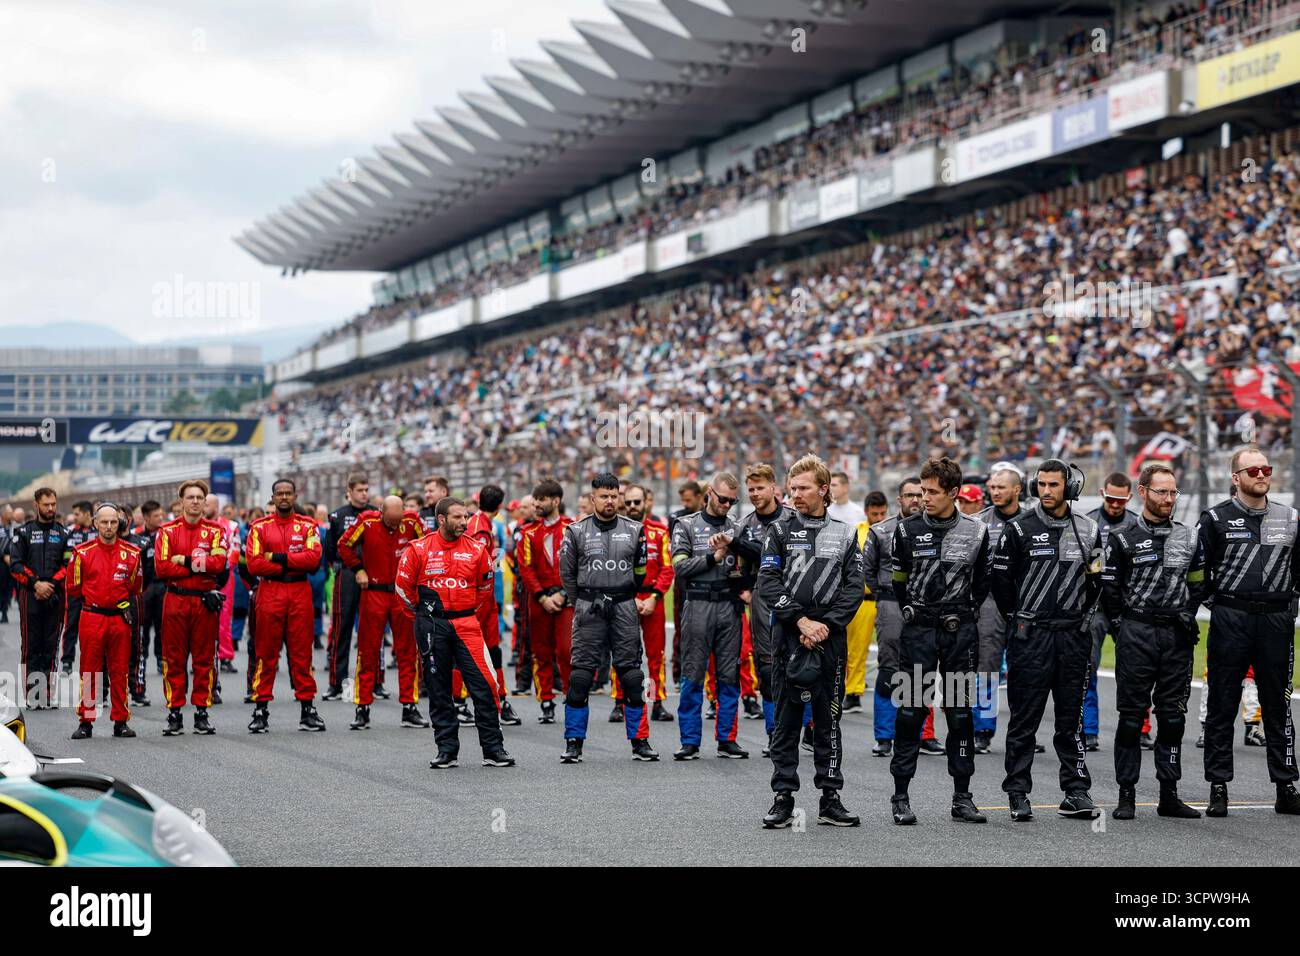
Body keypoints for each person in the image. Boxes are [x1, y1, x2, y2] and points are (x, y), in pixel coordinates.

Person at [991, 459, 1103, 821]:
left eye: (1054, 485)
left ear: (1069, 487)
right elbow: (1002, 586)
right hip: (1031, 636)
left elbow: (1097, 581)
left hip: (1073, 636)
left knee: (1071, 720)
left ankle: (1076, 791)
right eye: (1042, 485)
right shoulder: (1018, 529)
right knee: (1024, 719)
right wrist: (1023, 617)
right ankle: (1018, 793)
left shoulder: (1089, 530)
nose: (1047, 491)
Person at [758, 454, 864, 828]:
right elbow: (767, 583)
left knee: (829, 721)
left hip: (829, 639)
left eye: (803, 488)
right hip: (788, 635)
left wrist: (824, 626)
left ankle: (830, 797)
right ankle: (783, 796)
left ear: (824, 489)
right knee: (785, 721)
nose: (796, 494)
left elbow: (853, 589)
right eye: (792, 488)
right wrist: (801, 621)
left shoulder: (846, 533)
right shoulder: (780, 531)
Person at [888, 457, 992, 825]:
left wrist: (957, 612)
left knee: (961, 716)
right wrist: (920, 612)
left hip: (959, 632)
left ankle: (962, 797)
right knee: (911, 713)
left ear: (953, 493)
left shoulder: (977, 531)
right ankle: (900, 796)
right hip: (918, 630)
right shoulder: (906, 529)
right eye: (921, 491)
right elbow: (898, 581)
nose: (923, 498)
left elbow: (982, 585)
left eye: (932, 492)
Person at [1197, 448, 1300, 816]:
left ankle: (1286, 785)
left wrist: (1287, 603)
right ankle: (1218, 786)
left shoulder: (1291, 518)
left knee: (1277, 703)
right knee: (1223, 704)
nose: (1261, 474)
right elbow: (1197, 571)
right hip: (1231, 618)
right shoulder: (1214, 518)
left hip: (1275, 620)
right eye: (1252, 469)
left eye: (1266, 468)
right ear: (1235, 478)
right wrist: (1219, 605)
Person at [1099, 462, 1204, 820]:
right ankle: (1126, 794)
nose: (1169, 499)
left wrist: (1187, 612)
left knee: (1173, 717)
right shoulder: (1123, 537)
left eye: (1173, 492)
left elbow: (1199, 581)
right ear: (1143, 492)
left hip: (1176, 634)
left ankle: (1169, 794)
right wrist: (1121, 627)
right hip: (1137, 633)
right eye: (1162, 491)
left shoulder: (1190, 536)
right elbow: (1109, 590)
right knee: (1131, 717)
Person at [396, 496, 513, 769]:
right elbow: (402, 589)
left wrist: (465, 610)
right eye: (458, 517)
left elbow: (485, 588)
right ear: (441, 519)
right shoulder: (418, 548)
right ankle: (446, 750)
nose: (464, 522)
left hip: (467, 624)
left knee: (485, 685)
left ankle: (493, 749)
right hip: (432, 625)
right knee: (438, 689)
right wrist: (422, 615)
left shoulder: (477, 549)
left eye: (466, 517)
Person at [556, 474, 658, 763]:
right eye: (604, 496)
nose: (610, 501)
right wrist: (583, 602)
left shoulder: (636, 530)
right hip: (589, 608)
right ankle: (574, 742)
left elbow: (640, 573)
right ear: (593, 499)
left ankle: (640, 741)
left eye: (614, 496)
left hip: (624, 606)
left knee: (633, 676)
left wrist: (622, 594)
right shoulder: (575, 531)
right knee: (580, 676)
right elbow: (567, 574)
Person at [671, 472, 748, 760]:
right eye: (722, 498)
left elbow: (751, 566)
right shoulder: (686, 525)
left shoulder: (737, 528)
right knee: (692, 672)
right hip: (698, 604)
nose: (727, 504)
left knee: (729, 675)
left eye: (732, 500)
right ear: (709, 493)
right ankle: (689, 741)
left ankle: (727, 739)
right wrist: (711, 558)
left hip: (729, 607)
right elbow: (679, 567)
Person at [336, 495, 429, 730]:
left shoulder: (412, 521)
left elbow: (429, 546)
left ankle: (410, 706)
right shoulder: (366, 522)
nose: (396, 526)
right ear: (381, 512)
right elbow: (343, 545)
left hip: (402, 594)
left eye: (399, 521)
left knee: (407, 651)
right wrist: (358, 569)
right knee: (368, 651)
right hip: (374, 593)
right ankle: (362, 707)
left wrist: (418, 577)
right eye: (391, 521)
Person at [862, 477, 939, 757]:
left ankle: (924, 734)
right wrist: (887, 593)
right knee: (889, 667)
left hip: (927, 606)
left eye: (920, 494)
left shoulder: (938, 529)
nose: (915, 500)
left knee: (925, 669)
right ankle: (884, 736)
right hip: (891, 604)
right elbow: (867, 571)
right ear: (899, 500)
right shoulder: (881, 531)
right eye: (909, 495)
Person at [245, 479, 326, 733]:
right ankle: (260, 709)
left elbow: (313, 560)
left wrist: (278, 558)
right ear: (272, 497)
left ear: (294, 496)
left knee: (302, 653)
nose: (283, 497)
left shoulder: (308, 525)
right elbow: (254, 565)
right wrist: (292, 562)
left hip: (300, 591)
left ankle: (307, 709)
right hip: (269, 591)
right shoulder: (259, 527)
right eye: (279, 493)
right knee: (265, 652)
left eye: (287, 493)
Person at [727, 464, 794, 754]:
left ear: (773, 488)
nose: (755, 494)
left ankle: (808, 729)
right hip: (762, 598)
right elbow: (739, 571)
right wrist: (744, 588)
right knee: (767, 668)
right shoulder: (743, 526)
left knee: (800, 664)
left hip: (794, 596)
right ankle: (774, 733)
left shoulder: (795, 519)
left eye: (760, 488)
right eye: (750, 489)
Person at [154, 480, 229, 737]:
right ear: (182, 501)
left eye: (200, 497)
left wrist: (184, 560)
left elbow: (218, 565)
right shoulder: (166, 531)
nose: (195, 501)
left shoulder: (216, 531)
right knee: (173, 659)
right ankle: (174, 712)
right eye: (191, 497)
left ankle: (201, 712)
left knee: (204, 660)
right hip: (175, 601)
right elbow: (162, 568)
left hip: (203, 603)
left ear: (205, 502)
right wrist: (200, 564)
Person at [67, 503, 143, 740]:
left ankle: (120, 720)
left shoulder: (132, 554)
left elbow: (135, 587)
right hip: (92, 616)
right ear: (95, 523)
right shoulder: (82, 552)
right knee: (89, 670)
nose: (109, 527)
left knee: (120, 670)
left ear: (119, 523)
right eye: (104, 522)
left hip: (120, 619)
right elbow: (73, 587)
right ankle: (86, 721)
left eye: (113, 522)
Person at [1083, 472, 1141, 751]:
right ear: (1102, 493)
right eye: (1110, 499)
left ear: (1129, 497)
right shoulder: (1089, 522)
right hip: (1095, 608)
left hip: (1127, 608)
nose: (1115, 505)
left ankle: (1139, 728)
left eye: (1121, 500)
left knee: (1135, 670)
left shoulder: (1136, 524)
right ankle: (1089, 729)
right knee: (1087, 668)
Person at [611, 484, 674, 723]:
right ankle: (619, 701)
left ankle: (656, 701)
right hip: (624, 600)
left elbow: (667, 569)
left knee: (655, 655)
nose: (633, 507)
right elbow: (613, 569)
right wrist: (631, 598)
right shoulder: (615, 531)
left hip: (652, 601)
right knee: (622, 653)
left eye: (637, 502)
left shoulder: (659, 532)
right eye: (628, 503)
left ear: (647, 502)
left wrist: (654, 597)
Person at [973, 463, 1024, 752]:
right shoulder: (980, 523)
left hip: (1024, 603)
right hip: (990, 603)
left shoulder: (1032, 522)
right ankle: (983, 728)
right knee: (987, 667)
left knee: (1025, 669)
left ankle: (1021, 730)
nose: (994, 492)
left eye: (1001, 487)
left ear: (1016, 489)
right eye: (992, 487)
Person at [461, 484, 521, 726]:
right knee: (477, 650)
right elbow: (481, 566)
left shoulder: (479, 524)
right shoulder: (482, 530)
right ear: (498, 507)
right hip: (479, 599)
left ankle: (499, 699)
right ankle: (464, 701)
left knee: (491, 649)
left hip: (485, 597)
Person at [9, 488, 71, 709]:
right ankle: (32, 694)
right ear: (36, 505)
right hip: (30, 596)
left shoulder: (64, 534)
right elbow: (15, 565)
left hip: (55, 596)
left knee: (51, 646)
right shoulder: (23, 533)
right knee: (30, 646)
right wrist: (35, 583)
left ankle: (48, 693)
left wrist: (51, 585)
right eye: (46, 504)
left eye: (54, 504)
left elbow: (69, 565)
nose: (51, 508)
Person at [516, 479, 572, 724]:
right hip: (538, 602)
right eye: (535, 500)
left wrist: (564, 594)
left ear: (555, 501)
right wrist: (542, 597)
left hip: (566, 599)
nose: (536, 504)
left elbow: (578, 565)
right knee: (541, 651)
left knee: (567, 650)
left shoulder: (573, 528)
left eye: (541, 500)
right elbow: (525, 569)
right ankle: (546, 699)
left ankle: (573, 696)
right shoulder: (527, 532)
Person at [323, 473, 371, 702]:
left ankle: (374, 683)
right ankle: (337, 683)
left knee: (372, 632)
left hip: (371, 576)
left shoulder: (375, 514)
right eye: (360, 490)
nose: (364, 494)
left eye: (366, 489)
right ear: (350, 491)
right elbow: (330, 549)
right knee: (342, 630)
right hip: (347, 576)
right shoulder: (337, 516)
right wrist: (343, 569)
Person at [844, 490, 888, 715]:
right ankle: (852, 692)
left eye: (882, 513)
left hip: (885, 599)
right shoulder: (856, 533)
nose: (879, 518)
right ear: (866, 512)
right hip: (861, 600)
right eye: (875, 513)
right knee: (855, 649)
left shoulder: (891, 531)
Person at [668, 480, 704, 686]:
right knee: (682, 627)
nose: (685, 503)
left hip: (703, 578)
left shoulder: (708, 517)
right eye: (683, 500)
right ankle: (678, 671)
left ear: (699, 497)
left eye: (688, 500)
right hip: (682, 580)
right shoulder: (676, 518)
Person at [205, 494, 242, 675]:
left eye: (206, 504)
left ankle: (225, 656)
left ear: (216, 506)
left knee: (224, 617)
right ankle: (203, 658)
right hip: (202, 578)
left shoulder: (231, 526)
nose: (202, 507)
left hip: (224, 577)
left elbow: (235, 551)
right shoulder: (198, 526)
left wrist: (220, 570)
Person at [59, 500, 96, 674]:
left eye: (77, 514)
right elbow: (65, 559)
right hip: (75, 588)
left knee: (95, 627)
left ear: (87, 513)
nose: (74, 517)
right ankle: (67, 660)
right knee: (71, 623)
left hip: (95, 588)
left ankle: (94, 661)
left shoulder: (99, 532)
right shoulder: (71, 533)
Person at [505, 495, 536, 695]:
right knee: (525, 637)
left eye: (526, 507)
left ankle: (557, 681)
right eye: (521, 507)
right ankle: (523, 682)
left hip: (546, 590)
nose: (523, 510)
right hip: (523, 589)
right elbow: (509, 555)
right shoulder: (516, 529)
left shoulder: (543, 528)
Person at [133, 501, 167, 682]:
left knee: (163, 627)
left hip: (163, 586)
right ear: (146, 518)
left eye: (161, 515)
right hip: (145, 589)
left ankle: (162, 659)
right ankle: (142, 659)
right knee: (143, 627)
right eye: (156, 516)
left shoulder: (166, 533)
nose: (160, 519)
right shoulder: (136, 536)